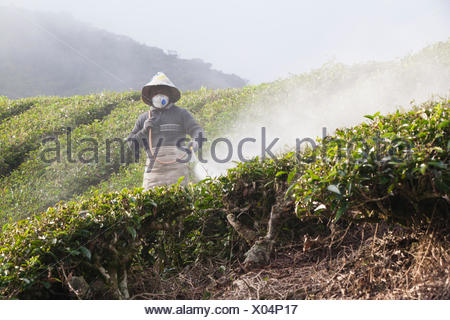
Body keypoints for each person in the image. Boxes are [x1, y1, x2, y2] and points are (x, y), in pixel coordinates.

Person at [126, 72, 204, 190]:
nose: (159, 95)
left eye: (163, 91)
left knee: (179, 198)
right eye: (155, 92)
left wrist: (195, 142)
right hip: (153, 171)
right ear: (150, 96)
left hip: (177, 169)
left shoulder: (181, 114)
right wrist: (143, 131)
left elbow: (197, 131)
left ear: (169, 94)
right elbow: (130, 145)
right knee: (149, 202)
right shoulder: (144, 118)